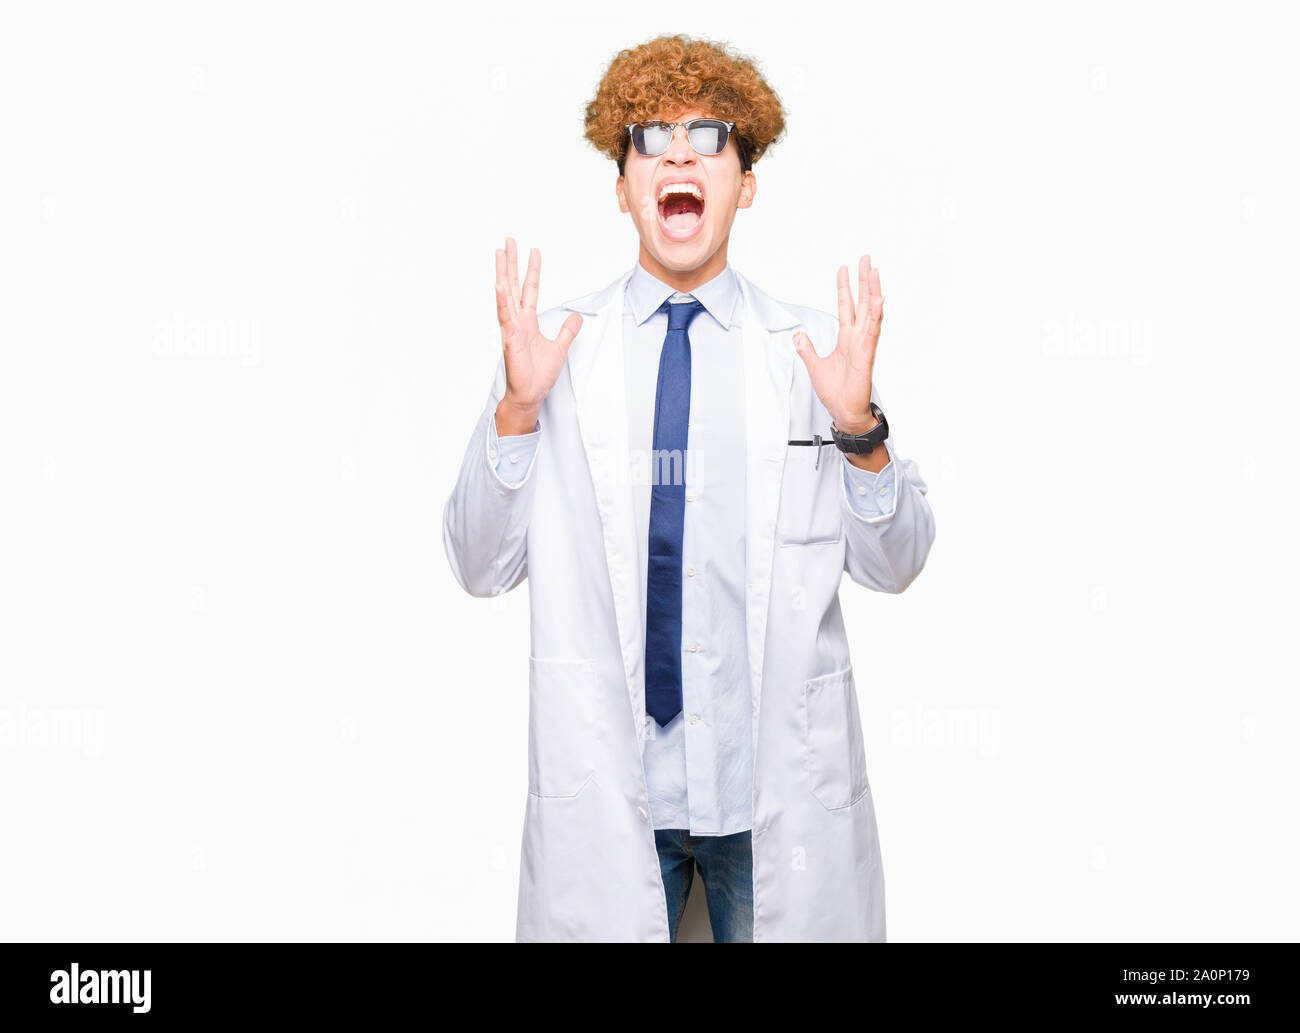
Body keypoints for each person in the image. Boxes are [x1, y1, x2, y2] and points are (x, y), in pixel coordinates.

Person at [443, 33, 936, 942]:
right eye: (650, 137)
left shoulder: (810, 355)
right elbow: (478, 563)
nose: (677, 154)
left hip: (771, 799)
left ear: (744, 181)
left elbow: (897, 562)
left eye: (709, 136)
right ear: (625, 185)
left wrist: (859, 429)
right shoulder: (553, 353)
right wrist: (517, 407)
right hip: (613, 799)